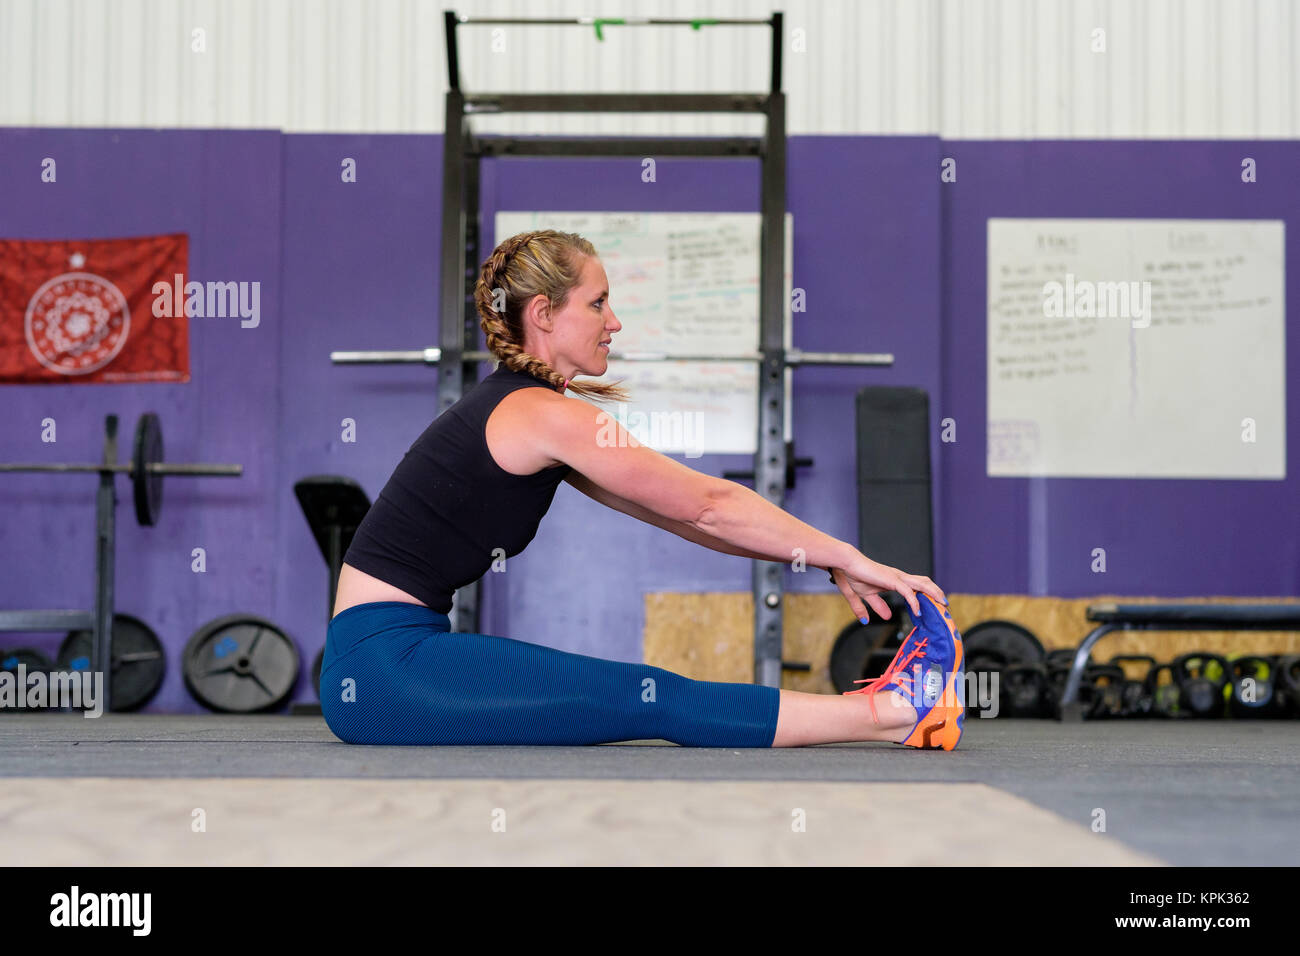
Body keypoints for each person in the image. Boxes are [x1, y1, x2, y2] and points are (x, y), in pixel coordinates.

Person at [321, 229, 964, 750]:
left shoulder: (534, 413)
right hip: (384, 668)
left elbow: (688, 518)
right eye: (598, 303)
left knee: (643, 694)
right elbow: (712, 506)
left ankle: (896, 710)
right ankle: (896, 712)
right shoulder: (541, 415)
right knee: (644, 697)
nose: (615, 322)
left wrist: (822, 558)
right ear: (544, 314)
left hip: (395, 655)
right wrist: (849, 557)